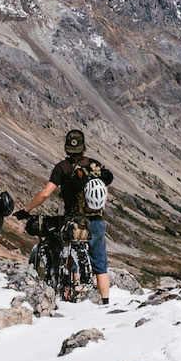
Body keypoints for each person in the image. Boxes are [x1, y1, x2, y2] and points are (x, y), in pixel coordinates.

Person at [20, 128, 114, 303]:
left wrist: (26, 210)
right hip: (96, 222)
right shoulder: (96, 166)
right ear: (84, 146)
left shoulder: (63, 167)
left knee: (72, 259)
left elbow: (45, 194)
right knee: (101, 267)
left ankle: (74, 297)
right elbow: (103, 194)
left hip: (74, 223)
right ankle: (106, 303)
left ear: (66, 147)